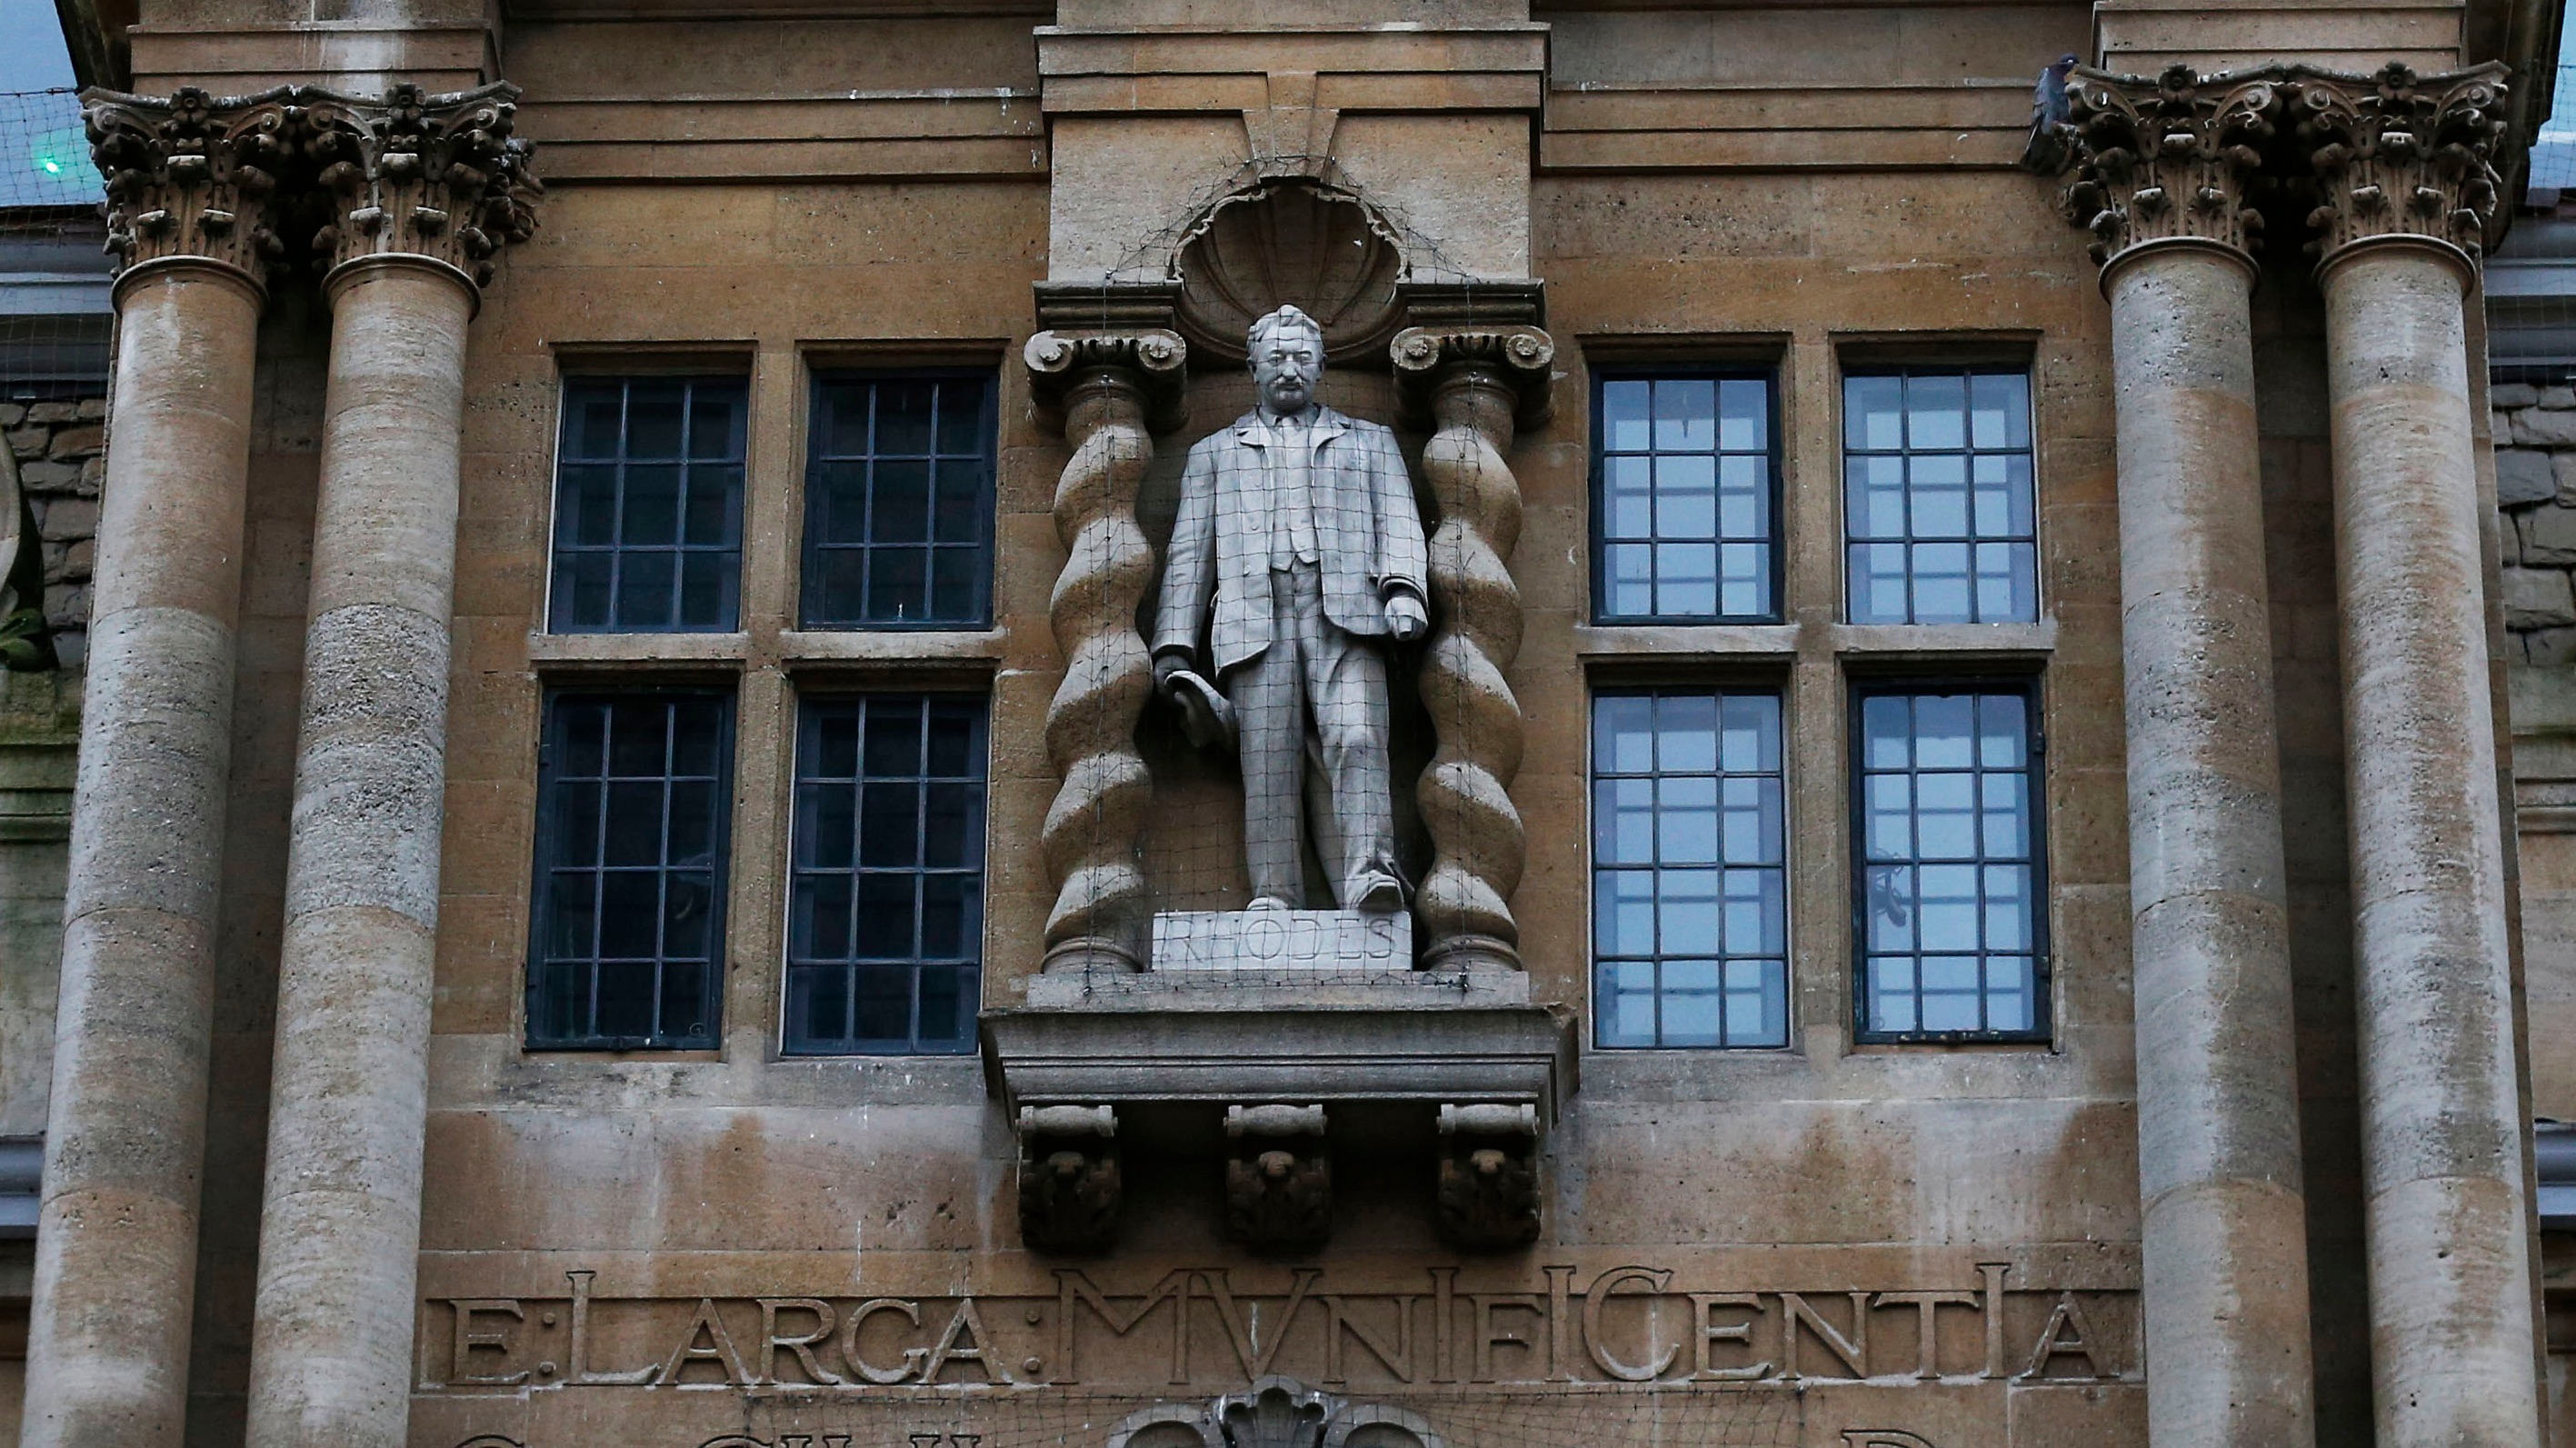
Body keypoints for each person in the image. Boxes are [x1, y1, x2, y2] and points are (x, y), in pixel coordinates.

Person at [1152, 305, 1430, 913]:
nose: (1289, 369)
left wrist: (1405, 587)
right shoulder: (1213, 454)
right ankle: (1275, 892)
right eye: (1276, 357)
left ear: (1323, 366)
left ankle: (1370, 874)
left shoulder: (1371, 441)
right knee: (1268, 761)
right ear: (1252, 367)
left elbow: (1400, 521)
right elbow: (1188, 556)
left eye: (1302, 357)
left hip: (1349, 613)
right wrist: (1173, 647)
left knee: (1359, 737)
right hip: (1253, 618)